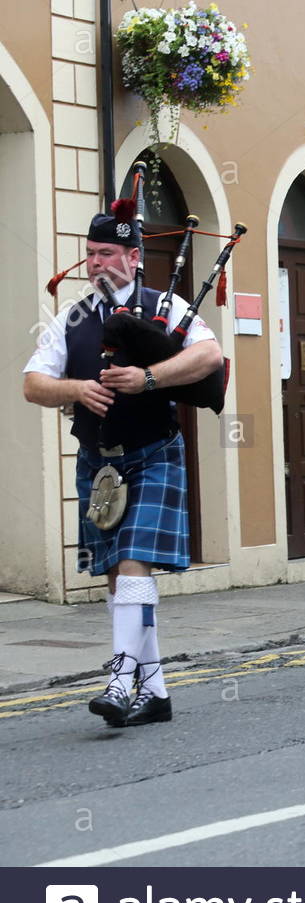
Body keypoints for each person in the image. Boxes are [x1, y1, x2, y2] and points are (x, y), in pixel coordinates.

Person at [23, 211, 224, 727]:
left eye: (106, 254)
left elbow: (209, 355)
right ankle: (153, 692)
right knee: (119, 579)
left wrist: (150, 378)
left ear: (134, 258)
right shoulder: (72, 317)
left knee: (133, 562)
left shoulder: (166, 306)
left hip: (154, 451)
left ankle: (118, 681)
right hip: (99, 462)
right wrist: (75, 389)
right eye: (90, 254)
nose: (96, 264)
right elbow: (33, 384)